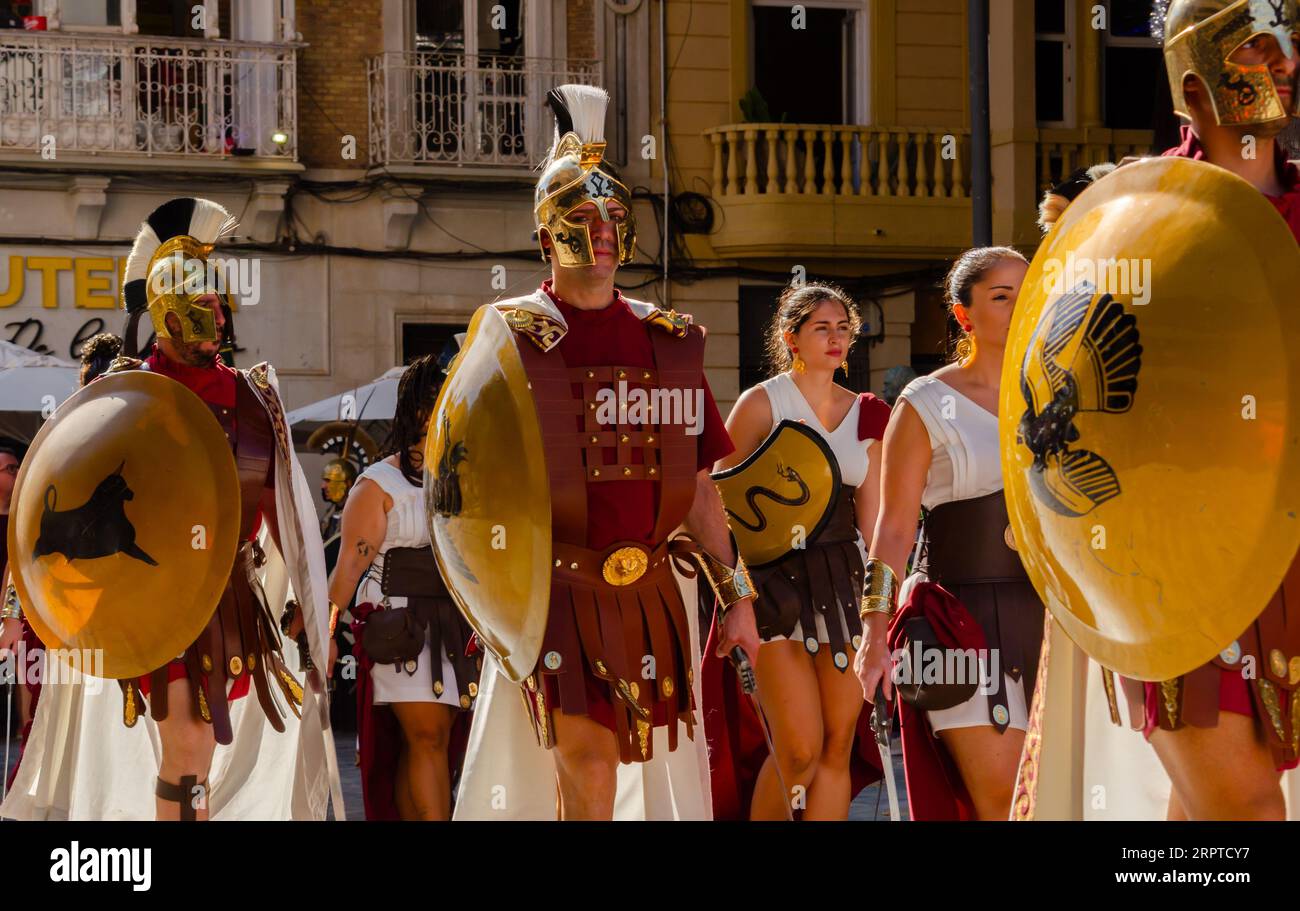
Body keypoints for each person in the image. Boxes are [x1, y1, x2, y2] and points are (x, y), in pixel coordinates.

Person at [450, 84, 758, 820]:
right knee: (588, 767)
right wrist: (489, 594)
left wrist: (736, 595)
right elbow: (463, 487)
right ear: (546, 234)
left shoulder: (668, 339)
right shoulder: (509, 338)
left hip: (650, 594)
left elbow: (701, 491)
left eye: (615, 216)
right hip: (553, 589)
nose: (605, 231)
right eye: (583, 217)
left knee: (622, 769)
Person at [2, 197, 339, 821]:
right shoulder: (126, 396)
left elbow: (285, 511)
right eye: (200, 301)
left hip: (232, 602)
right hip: (152, 596)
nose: (214, 311)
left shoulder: (253, 398)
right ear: (167, 312)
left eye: (217, 300)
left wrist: (309, 611)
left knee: (201, 756)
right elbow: (66, 490)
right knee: (190, 746)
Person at [1103, 0, 1300, 820]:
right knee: (1247, 812)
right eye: (1259, 53)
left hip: (1293, 551)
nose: (1285, 64)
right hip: (1180, 559)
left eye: (1287, 45)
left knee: (1208, 819)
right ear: (1197, 86)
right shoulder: (1132, 225)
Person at [855, 246, 1044, 820]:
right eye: (1000, 296)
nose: (1017, 306)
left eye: (1025, 291)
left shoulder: (1063, 396)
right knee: (1004, 803)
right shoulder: (926, 402)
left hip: (1053, 618)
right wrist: (872, 632)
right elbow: (892, 527)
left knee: (1055, 800)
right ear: (964, 315)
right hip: (958, 624)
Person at [707, 281, 890, 820]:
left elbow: (875, 519)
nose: (835, 339)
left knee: (837, 749)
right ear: (791, 338)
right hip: (773, 584)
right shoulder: (763, 402)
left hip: (845, 586)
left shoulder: (868, 413)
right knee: (799, 749)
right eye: (821, 328)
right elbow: (717, 498)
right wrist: (731, 589)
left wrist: (883, 602)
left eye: (843, 328)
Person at [328, 355, 479, 820]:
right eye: (434, 402)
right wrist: (326, 632)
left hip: (461, 625)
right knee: (427, 738)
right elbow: (349, 568)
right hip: (402, 626)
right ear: (415, 409)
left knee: (440, 745)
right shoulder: (378, 483)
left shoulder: (474, 479)